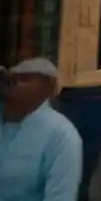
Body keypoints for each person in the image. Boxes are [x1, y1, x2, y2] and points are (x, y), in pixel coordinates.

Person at [0, 57, 83, 201]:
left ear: (49, 87)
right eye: (11, 79)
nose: (14, 83)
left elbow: (61, 196)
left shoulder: (61, 134)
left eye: (24, 79)